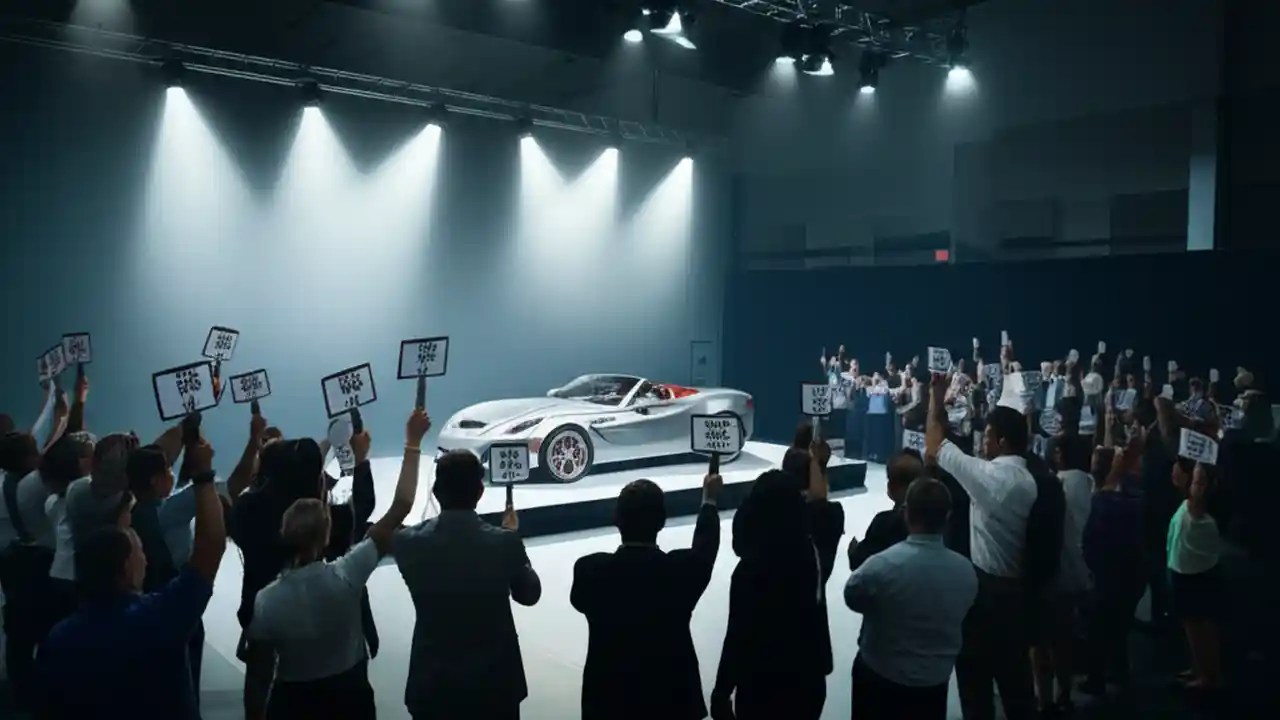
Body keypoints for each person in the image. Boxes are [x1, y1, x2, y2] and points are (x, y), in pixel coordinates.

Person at [248, 407, 430, 720]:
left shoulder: (265, 598)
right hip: (349, 694)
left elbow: (259, 673)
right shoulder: (347, 573)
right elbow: (399, 506)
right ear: (326, 530)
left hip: (292, 699)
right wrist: (411, 443)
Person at [32, 434, 225, 720]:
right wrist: (204, 476)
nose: (144, 557)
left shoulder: (58, 638)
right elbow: (210, 546)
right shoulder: (161, 617)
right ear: (126, 570)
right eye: (138, 552)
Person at [393, 449, 541, 720]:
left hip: (433, 683)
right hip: (494, 684)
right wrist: (513, 538)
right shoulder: (503, 542)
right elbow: (529, 594)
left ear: (437, 492)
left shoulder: (407, 543)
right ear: (479, 492)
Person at [925, 375, 1038, 720]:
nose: (982, 442)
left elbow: (934, 445)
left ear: (1001, 441)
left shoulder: (991, 480)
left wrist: (936, 395)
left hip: (988, 595)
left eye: (987, 436)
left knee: (975, 686)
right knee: (1016, 684)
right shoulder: (1028, 477)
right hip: (1018, 594)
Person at [570, 469, 723, 720]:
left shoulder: (590, 571)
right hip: (672, 701)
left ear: (616, 519)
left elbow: (578, 600)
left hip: (609, 702)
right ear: (662, 522)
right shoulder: (679, 570)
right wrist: (709, 502)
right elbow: (705, 551)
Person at [711, 443, 844, 720]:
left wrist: (722, 690)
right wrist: (817, 463)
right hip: (807, 674)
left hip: (759, 679)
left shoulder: (748, 570)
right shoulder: (814, 553)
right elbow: (821, 505)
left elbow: (737, 634)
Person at [844, 477, 978, 720]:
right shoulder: (967, 572)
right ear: (947, 516)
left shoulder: (880, 566)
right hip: (934, 685)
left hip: (879, 680)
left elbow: (852, 597)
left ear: (906, 513)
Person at [228, 428, 332, 720]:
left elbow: (238, 498)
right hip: (313, 615)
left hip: (257, 608)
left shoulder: (249, 509)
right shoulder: (321, 517)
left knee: (258, 679)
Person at [1030, 434, 1094, 713]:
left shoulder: (1054, 485)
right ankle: (1064, 693)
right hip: (1083, 569)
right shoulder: (1090, 482)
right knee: (1065, 638)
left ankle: (1044, 699)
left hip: (1053, 568)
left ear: (1059, 454)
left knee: (1041, 640)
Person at [1081, 437, 1145, 695]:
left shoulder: (1108, 501)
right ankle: (1119, 673)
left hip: (1108, 577)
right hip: (1129, 577)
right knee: (1118, 630)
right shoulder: (1130, 494)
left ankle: (1097, 679)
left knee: (1098, 629)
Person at [1167, 459, 1223, 692]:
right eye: (1194, 481)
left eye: (1200, 482)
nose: (1194, 486)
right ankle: (1198, 666)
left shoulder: (1202, 517)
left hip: (1194, 575)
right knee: (1193, 627)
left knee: (1199, 627)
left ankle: (1208, 675)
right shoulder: (1188, 504)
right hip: (1183, 571)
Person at [847, 451, 921, 571]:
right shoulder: (933, 519)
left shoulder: (884, 522)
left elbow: (861, 563)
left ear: (891, 487)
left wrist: (854, 551)